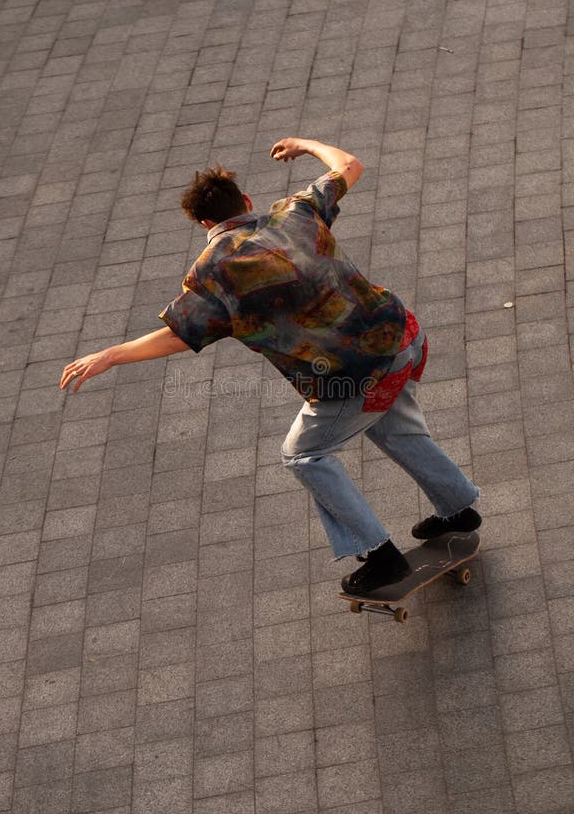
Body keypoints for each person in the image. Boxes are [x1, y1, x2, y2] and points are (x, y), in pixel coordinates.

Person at [60, 137, 480, 597]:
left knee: (304, 454)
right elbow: (350, 164)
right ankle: (458, 507)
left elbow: (179, 334)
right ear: (246, 201)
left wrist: (111, 354)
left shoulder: (215, 271)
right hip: (402, 337)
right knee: (392, 426)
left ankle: (379, 556)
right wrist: (304, 143)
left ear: (204, 224)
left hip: (352, 376)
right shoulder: (296, 211)